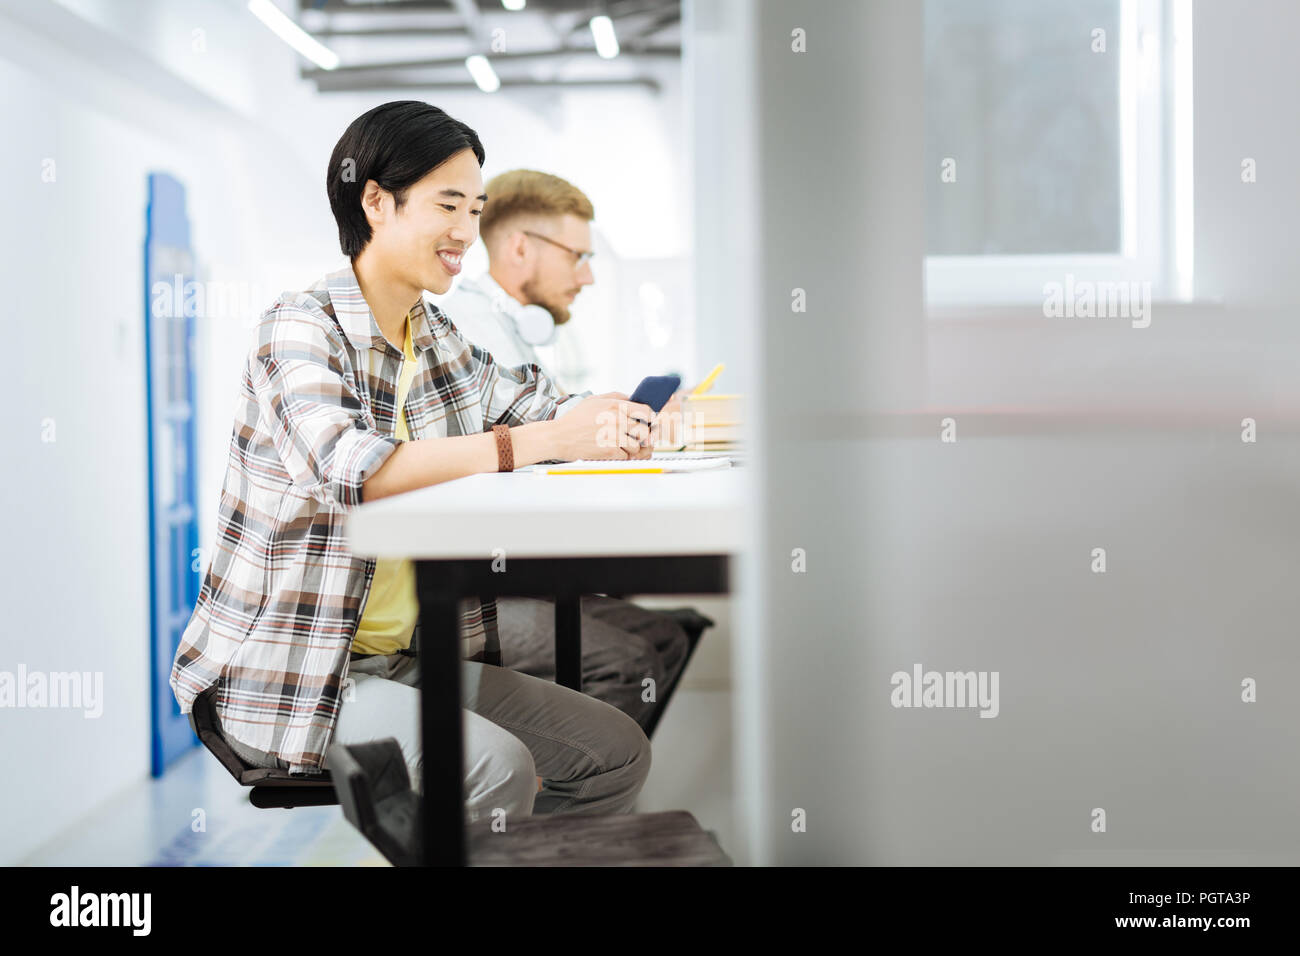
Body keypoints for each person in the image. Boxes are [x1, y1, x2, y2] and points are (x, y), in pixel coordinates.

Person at [170, 100, 662, 823]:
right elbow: (351, 469)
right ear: (376, 201)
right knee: (502, 770)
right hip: (299, 674)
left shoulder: (433, 335)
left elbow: (533, 404)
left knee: (612, 751)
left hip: (403, 654)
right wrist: (537, 441)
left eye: (478, 207)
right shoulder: (298, 325)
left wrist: (613, 413)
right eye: (449, 205)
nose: (468, 231)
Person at [442, 170, 691, 730]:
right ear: (520, 247)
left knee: (666, 635)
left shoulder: (508, 335)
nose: (589, 276)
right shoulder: (466, 329)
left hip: (505, 564)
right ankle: (557, 798)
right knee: (632, 658)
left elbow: (544, 410)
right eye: (578, 256)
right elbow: (525, 439)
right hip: (474, 583)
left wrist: (612, 418)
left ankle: (594, 786)